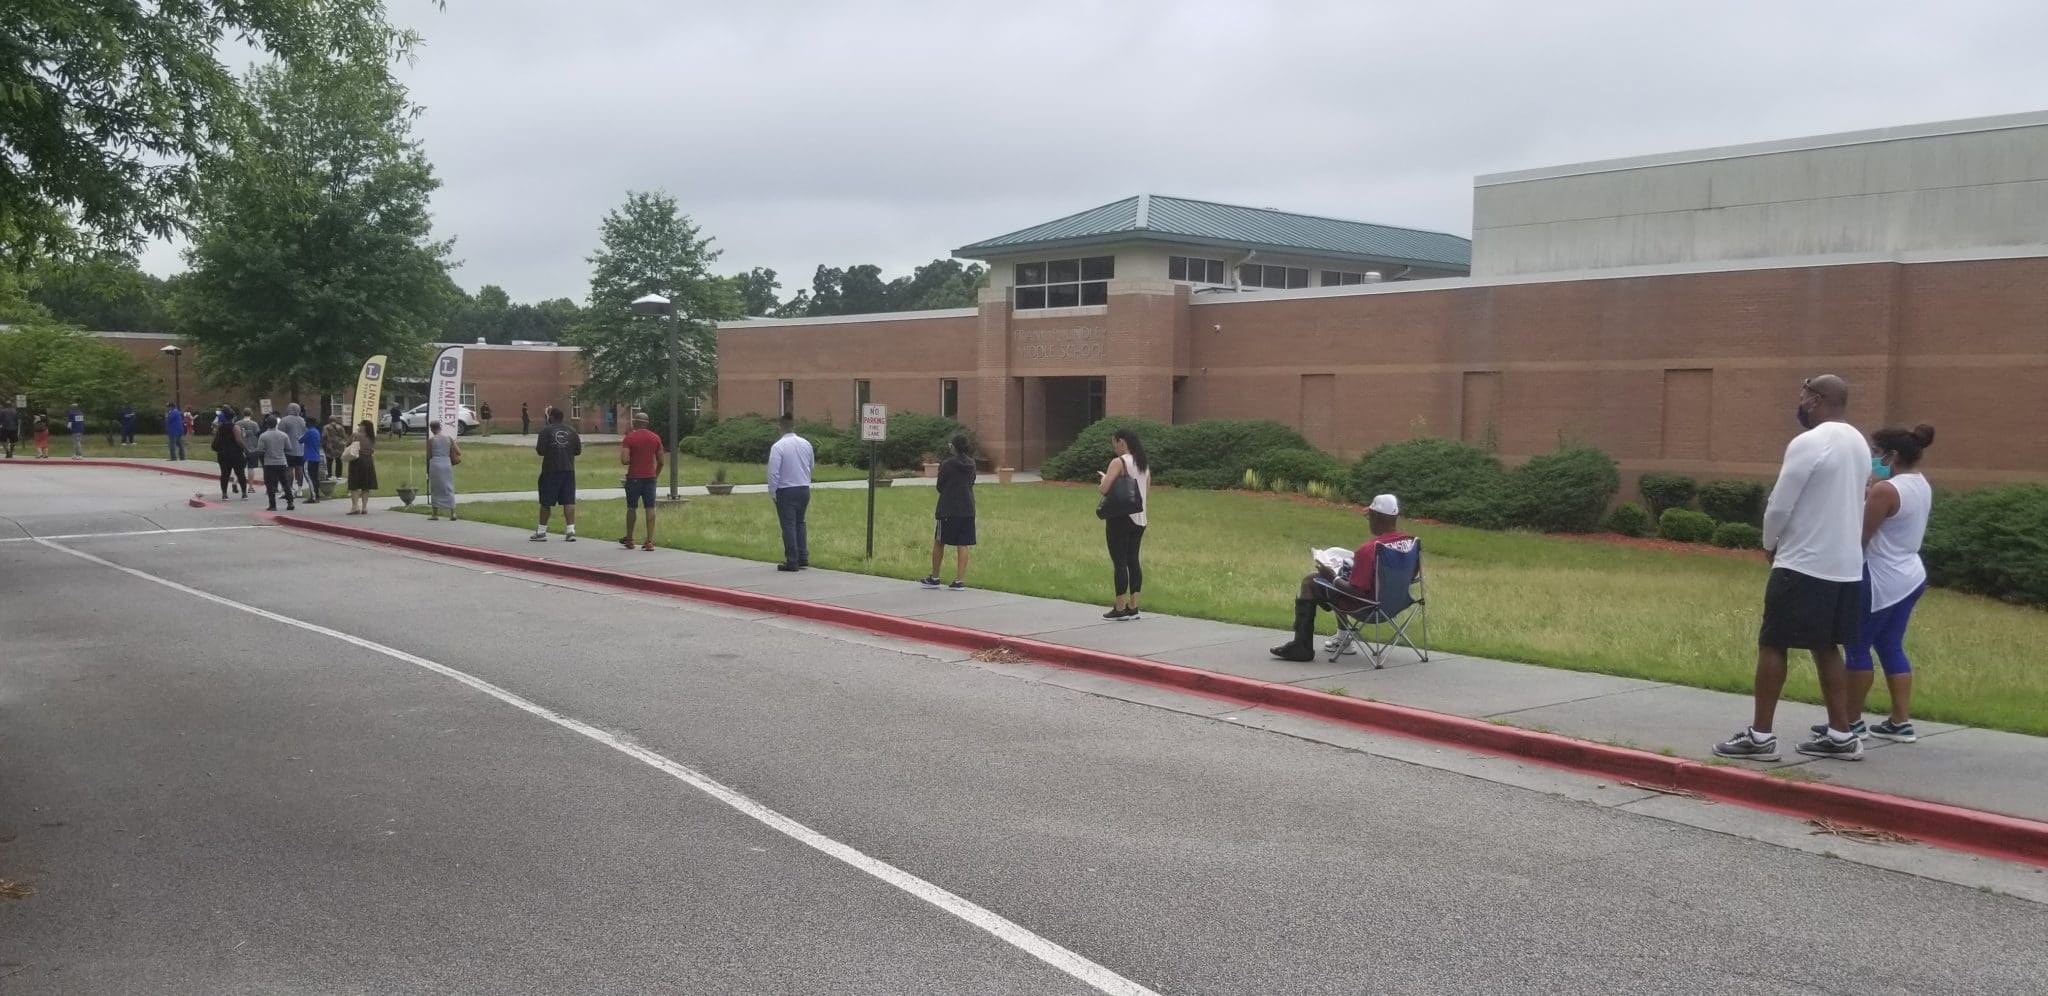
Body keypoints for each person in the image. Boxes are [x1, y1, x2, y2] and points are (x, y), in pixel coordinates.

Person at [1715, 374, 1870, 763]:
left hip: (1803, 562)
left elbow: (1781, 504)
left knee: (1773, 643)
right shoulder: (1859, 444)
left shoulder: (1809, 442)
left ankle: (1761, 737)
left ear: (1817, 399)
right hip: (1846, 566)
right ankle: (1841, 734)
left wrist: (1769, 544)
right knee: (1826, 646)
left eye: (1803, 397)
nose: (1800, 404)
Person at [1822, 424, 1937, 745]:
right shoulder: (1920, 484)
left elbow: (1861, 535)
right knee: (1890, 644)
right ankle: (1900, 721)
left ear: (1892, 455)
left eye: (1877, 453)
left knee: (1857, 646)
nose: (1874, 459)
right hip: (1910, 574)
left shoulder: (1886, 491)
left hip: (1880, 577)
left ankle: (1849, 721)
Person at [1270, 495, 1417, 661]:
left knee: (1311, 581)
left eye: (1369, 516)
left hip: (1368, 608)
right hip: (1396, 603)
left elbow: (1354, 591)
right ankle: (1342, 638)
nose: (1368, 520)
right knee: (1346, 576)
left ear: (1376, 517)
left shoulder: (1368, 550)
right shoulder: (1411, 543)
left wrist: (1332, 577)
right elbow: (1412, 576)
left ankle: (1302, 647)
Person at [1097, 428, 1151, 620]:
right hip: (1140, 519)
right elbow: (1146, 491)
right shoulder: (1142, 463)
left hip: (1121, 518)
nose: (1114, 447)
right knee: (1133, 560)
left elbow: (1104, 489)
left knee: (1119, 562)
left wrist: (1103, 479)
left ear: (1121, 441)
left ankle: (1119, 607)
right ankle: (1134, 605)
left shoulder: (1118, 462)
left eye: (1115, 443)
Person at [921, 433, 977, 590]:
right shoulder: (972, 464)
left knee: (939, 541)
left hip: (948, 509)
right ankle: (959, 580)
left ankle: (935, 576)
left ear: (954, 447)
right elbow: (971, 482)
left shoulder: (947, 464)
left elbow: (940, 486)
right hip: (967, 508)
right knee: (963, 543)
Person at [767, 414, 815, 571]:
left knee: (788, 525)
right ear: (794, 426)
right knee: (800, 522)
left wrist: (773, 492)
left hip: (786, 490)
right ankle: (803, 556)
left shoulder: (778, 447)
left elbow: (773, 473)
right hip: (803, 488)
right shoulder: (806, 444)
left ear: (779, 428)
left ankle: (792, 560)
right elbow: (811, 465)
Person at [531, 406, 581, 541]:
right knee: (569, 501)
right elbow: (578, 451)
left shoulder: (545, 431)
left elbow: (540, 450)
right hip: (568, 470)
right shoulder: (572, 431)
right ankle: (571, 531)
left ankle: (541, 532)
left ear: (551, 417)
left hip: (550, 470)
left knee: (546, 502)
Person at [617, 412, 664, 550]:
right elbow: (661, 461)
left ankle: (630, 539)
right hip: (650, 478)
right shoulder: (655, 438)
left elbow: (624, 460)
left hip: (634, 478)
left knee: (632, 507)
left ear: (635, 422)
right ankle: (649, 541)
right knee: (650, 507)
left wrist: (634, 459)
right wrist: (655, 474)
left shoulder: (629, 438)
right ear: (647, 423)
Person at [256, 415, 295, 511]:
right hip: (281, 462)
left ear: (267, 424)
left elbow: (260, 449)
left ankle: (272, 504)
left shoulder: (263, 436)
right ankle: (290, 502)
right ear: (276, 424)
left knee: (270, 484)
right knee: (285, 483)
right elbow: (289, 448)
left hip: (269, 463)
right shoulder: (284, 435)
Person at [210, 406, 249, 500]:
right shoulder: (235, 427)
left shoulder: (220, 427)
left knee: (224, 474)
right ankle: (244, 493)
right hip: (235, 453)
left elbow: (215, 438)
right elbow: (239, 440)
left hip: (223, 454)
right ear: (233, 417)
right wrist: (245, 448)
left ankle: (224, 494)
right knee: (240, 473)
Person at [425, 420, 461, 521]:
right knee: (448, 487)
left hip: (435, 464)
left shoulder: (431, 440)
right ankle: (453, 513)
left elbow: (428, 455)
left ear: (431, 429)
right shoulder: (449, 438)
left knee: (435, 488)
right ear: (440, 427)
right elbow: (459, 452)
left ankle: (435, 514)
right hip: (447, 463)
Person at [345, 420, 378, 514]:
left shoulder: (356, 435)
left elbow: (347, 444)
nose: (359, 426)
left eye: (360, 425)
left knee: (354, 485)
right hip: (368, 461)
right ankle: (364, 507)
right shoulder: (372, 437)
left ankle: (355, 507)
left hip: (357, 460)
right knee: (365, 486)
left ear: (364, 427)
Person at [279, 403, 308, 492]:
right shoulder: (302, 421)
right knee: (299, 468)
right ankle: (300, 488)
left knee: (289, 469)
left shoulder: (284, 420)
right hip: (300, 449)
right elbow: (305, 433)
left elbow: (280, 434)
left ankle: (289, 487)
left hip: (288, 449)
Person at [299, 418, 324, 504]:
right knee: (315, 477)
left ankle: (314, 496)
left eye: (306, 422)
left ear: (308, 424)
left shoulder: (309, 432)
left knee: (309, 477)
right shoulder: (316, 432)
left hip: (309, 457)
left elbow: (300, 440)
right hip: (316, 457)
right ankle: (316, 495)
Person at [237, 408, 262, 487]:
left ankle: (235, 482)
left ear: (243, 413)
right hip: (252, 449)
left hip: (240, 449)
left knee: (240, 468)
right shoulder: (254, 424)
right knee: (251, 468)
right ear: (251, 414)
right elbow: (258, 435)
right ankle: (250, 486)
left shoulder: (238, 423)